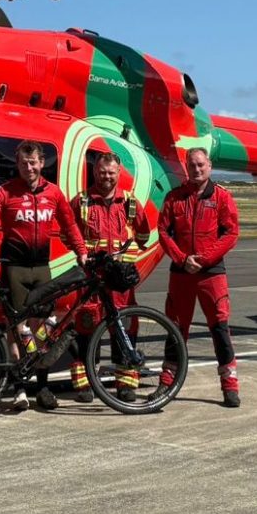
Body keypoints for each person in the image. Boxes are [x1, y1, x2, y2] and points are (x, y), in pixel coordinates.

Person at [0, 140, 85, 411]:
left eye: (33, 162)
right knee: (16, 330)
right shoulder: (4, 192)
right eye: (23, 164)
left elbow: (69, 224)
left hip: (42, 267)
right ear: (18, 164)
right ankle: (19, 388)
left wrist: (81, 251)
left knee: (42, 329)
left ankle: (42, 386)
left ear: (42, 162)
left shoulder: (54, 193)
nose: (28, 168)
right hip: (14, 268)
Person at [159, 147, 242, 407]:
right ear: (187, 166)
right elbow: (163, 231)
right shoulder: (174, 198)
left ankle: (230, 386)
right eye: (192, 165)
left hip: (211, 274)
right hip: (181, 273)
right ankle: (166, 383)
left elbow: (230, 233)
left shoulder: (222, 198)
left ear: (209, 165)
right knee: (175, 329)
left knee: (219, 328)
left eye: (201, 165)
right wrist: (183, 259)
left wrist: (204, 259)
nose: (197, 169)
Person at [70, 151, 152, 403]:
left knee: (124, 325)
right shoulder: (81, 201)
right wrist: (83, 253)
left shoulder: (129, 202)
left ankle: (126, 383)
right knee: (86, 325)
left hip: (118, 279)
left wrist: (125, 259)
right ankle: (84, 384)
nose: (106, 177)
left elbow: (144, 234)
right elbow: (67, 233)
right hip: (92, 275)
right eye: (102, 172)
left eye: (111, 172)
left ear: (119, 173)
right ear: (95, 172)